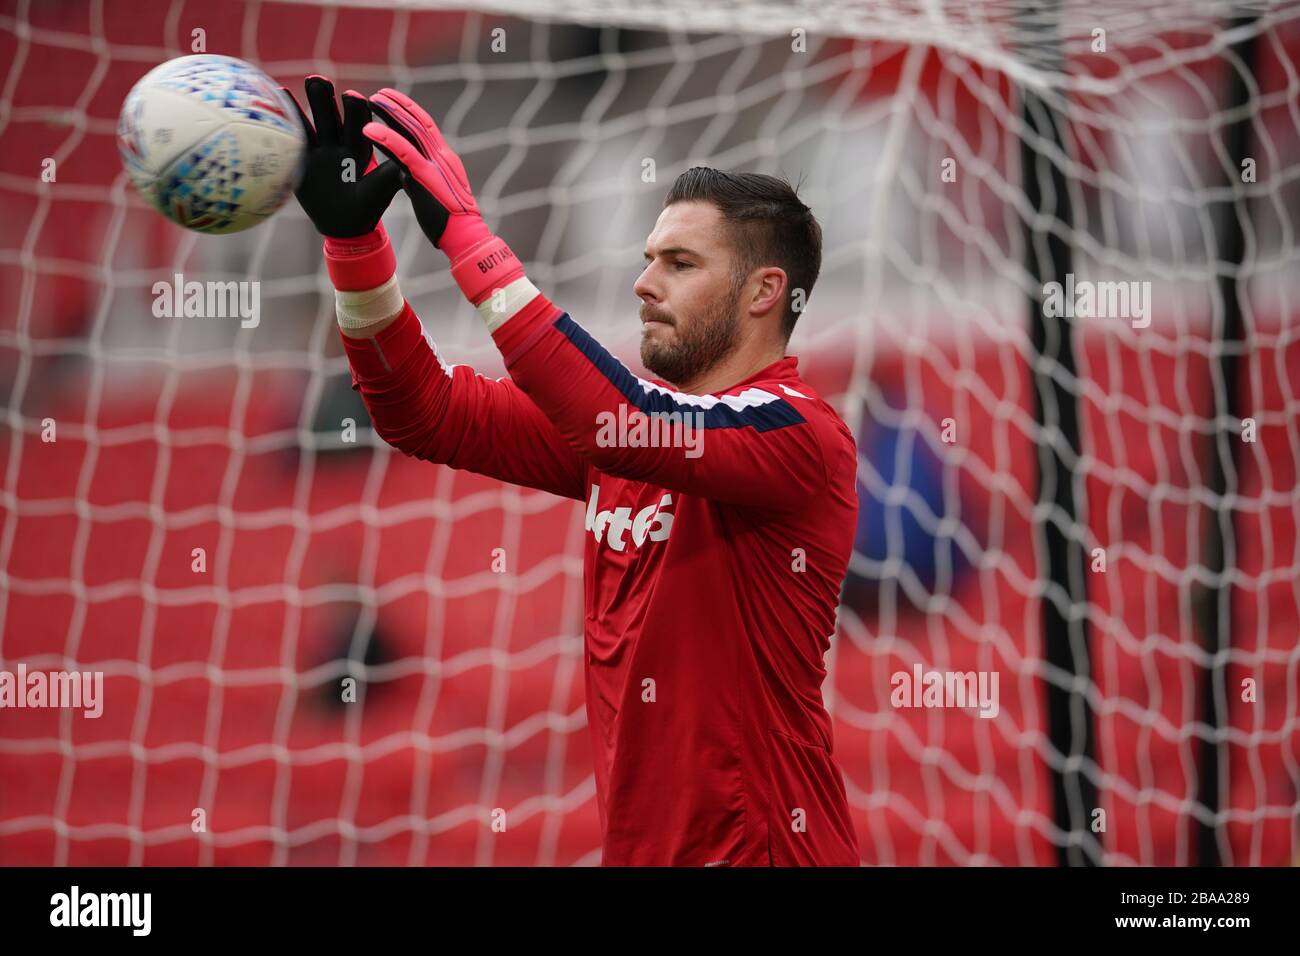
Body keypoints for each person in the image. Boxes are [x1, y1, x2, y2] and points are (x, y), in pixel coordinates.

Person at [285, 75, 860, 866]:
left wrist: (467, 240)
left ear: (764, 292)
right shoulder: (634, 437)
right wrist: (357, 251)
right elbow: (423, 413)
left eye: (681, 263)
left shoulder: (796, 433)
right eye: (649, 258)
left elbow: (617, 419)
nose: (643, 282)